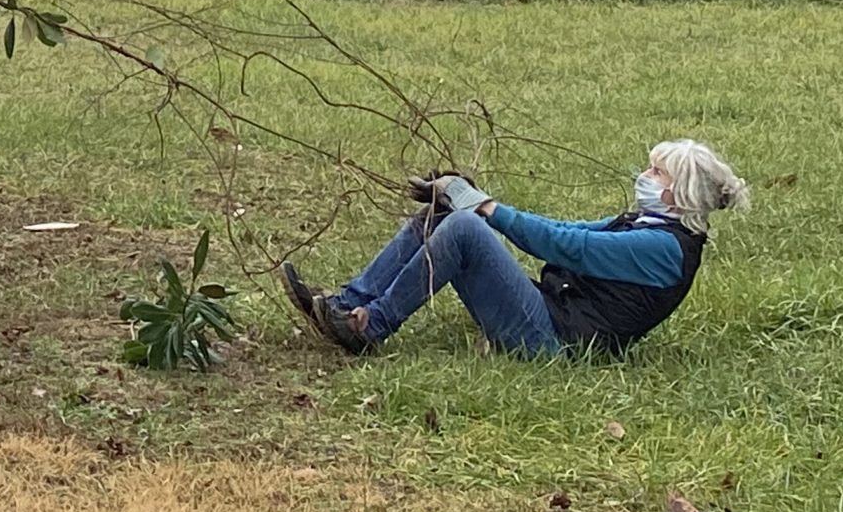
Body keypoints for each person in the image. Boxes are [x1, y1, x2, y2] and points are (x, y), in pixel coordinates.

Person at [277, 139, 750, 358]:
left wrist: (482, 208)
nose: (643, 176)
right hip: (554, 314)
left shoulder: (662, 248)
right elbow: (565, 228)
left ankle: (371, 327)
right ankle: (348, 305)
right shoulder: (649, 225)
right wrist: (473, 200)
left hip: (557, 342)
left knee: (464, 228)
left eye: (656, 172)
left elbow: (566, 246)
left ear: (679, 194)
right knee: (444, 216)